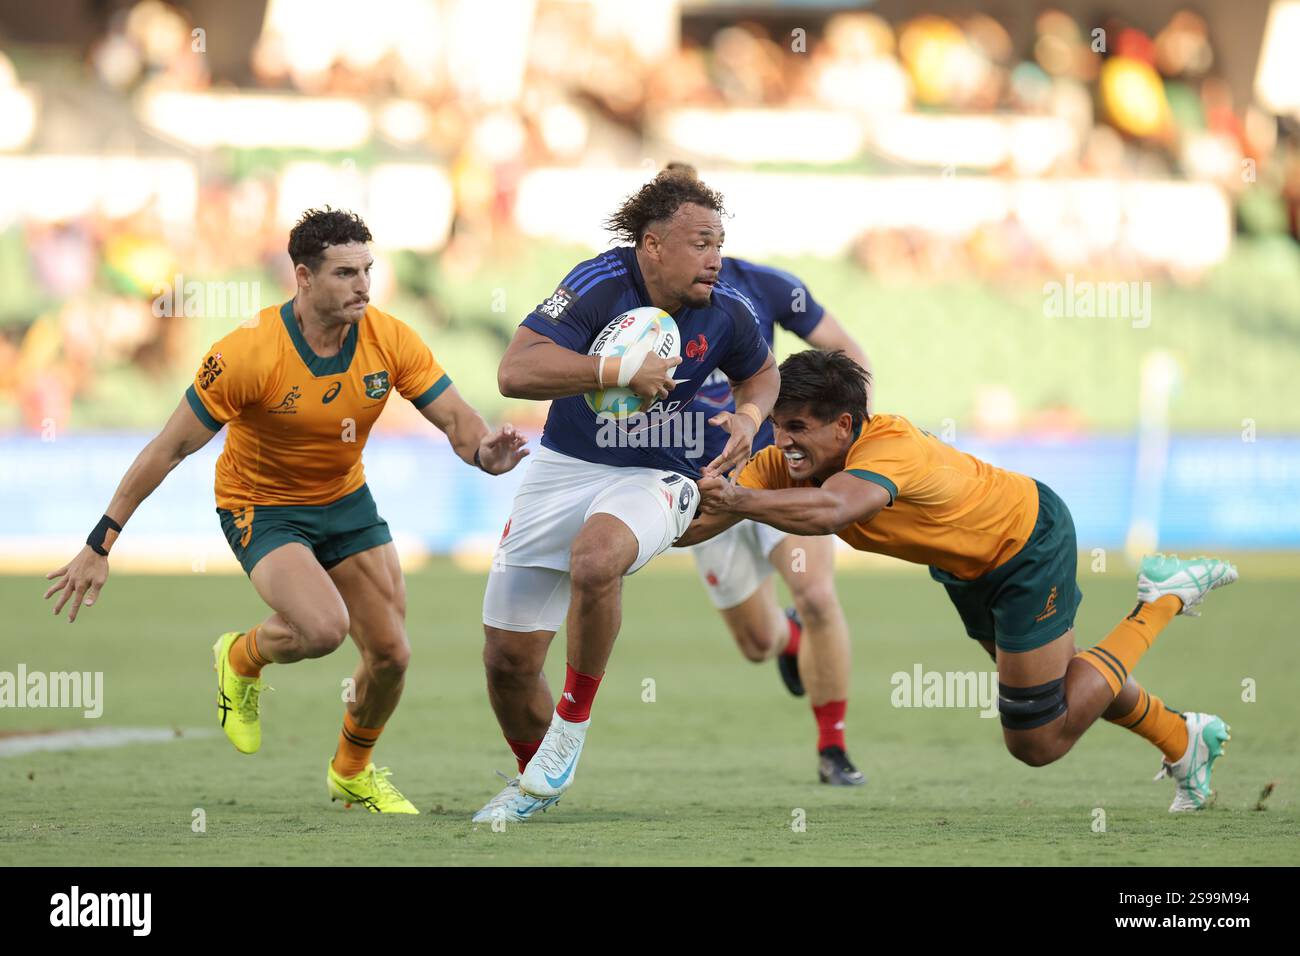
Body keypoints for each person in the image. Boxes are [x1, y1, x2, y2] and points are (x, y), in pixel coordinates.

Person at [45, 207, 529, 813]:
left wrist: (487, 453)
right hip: (262, 507)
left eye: (367, 270)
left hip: (345, 500)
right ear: (302, 277)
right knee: (323, 629)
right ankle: (240, 657)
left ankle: (351, 772)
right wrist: (100, 542)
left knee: (391, 655)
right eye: (345, 273)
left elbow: (460, 422)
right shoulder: (248, 353)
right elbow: (169, 448)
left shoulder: (389, 339)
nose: (363, 286)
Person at [680, 349, 1237, 812]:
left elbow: (831, 512)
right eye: (778, 425)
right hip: (968, 569)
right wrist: (634, 528)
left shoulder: (889, 446)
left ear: (845, 425)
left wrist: (742, 499)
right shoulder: (787, 461)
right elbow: (707, 518)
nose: (781, 440)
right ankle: (1183, 739)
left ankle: (1162, 601)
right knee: (1063, 687)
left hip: (1024, 543)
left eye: (796, 426)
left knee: (1037, 740)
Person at [474, 169, 779, 822]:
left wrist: (751, 422)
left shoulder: (727, 308)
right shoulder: (597, 283)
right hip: (563, 466)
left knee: (597, 559)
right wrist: (614, 370)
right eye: (701, 241)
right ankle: (535, 786)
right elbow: (514, 371)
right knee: (506, 661)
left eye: (720, 242)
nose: (715, 257)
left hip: (657, 474)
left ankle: (571, 725)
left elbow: (762, 374)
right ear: (652, 245)